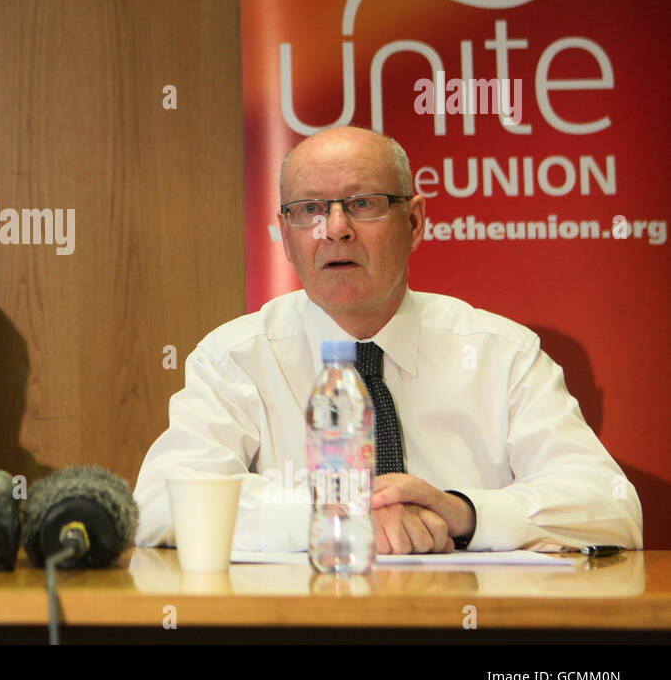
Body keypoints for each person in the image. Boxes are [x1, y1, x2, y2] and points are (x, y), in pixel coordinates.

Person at [134, 126, 642, 553]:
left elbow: (611, 506)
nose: (335, 229)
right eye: (309, 209)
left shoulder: (502, 354)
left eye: (362, 203)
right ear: (285, 236)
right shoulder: (236, 359)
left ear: (415, 222)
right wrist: (336, 515)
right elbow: (159, 503)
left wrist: (465, 513)